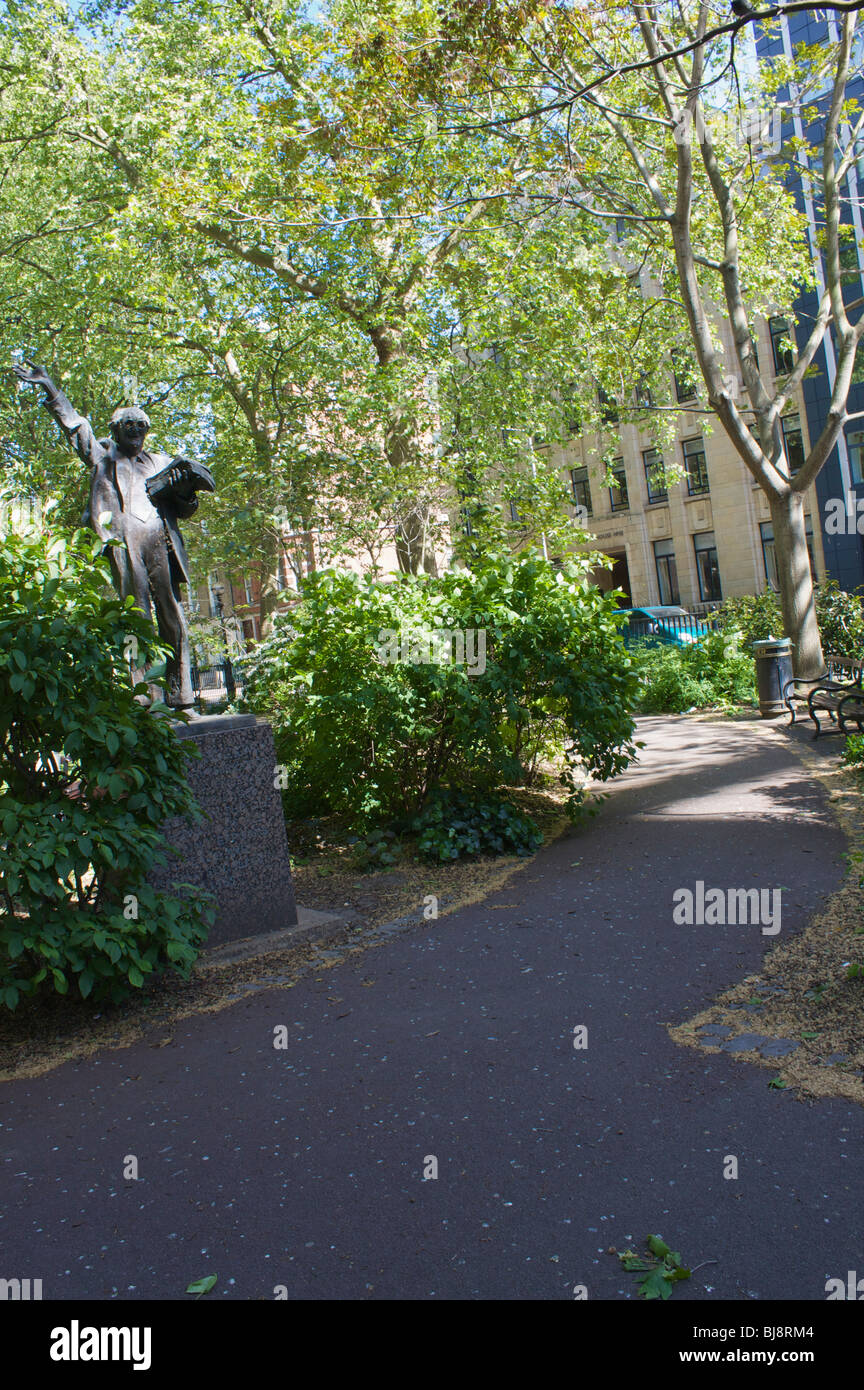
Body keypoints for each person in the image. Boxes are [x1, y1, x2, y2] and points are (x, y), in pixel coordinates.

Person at [13, 358, 210, 710]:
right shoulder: (104, 456)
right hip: (126, 548)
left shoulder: (161, 461)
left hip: (161, 546)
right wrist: (50, 388)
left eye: (140, 425)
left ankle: (181, 695)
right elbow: (76, 427)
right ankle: (145, 698)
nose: (135, 430)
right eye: (128, 424)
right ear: (116, 430)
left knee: (173, 619)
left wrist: (185, 491)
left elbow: (186, 510)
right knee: (135, 621)